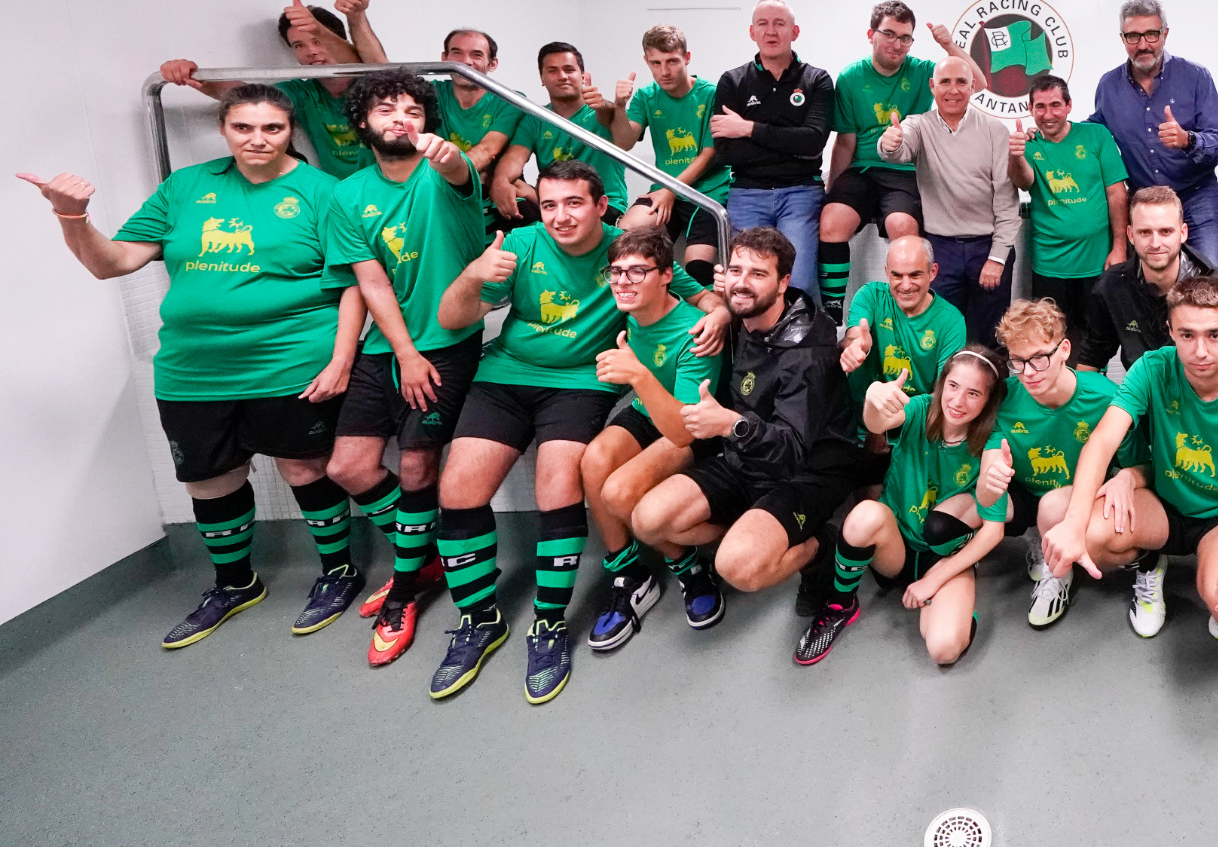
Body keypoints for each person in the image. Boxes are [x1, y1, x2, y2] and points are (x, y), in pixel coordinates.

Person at [21, 86, 365, 646]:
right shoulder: (185, 187)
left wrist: (341, 359)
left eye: (272, 129)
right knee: (209, 480)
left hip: (291, 361)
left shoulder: (323, 192)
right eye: (244, 128)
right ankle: (234, 584)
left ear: (291, 132)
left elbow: (352, 283)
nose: (257, 139)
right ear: (225, 130)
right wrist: (71, 216)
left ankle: (338, 572)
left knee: (304, 468)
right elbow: (112, 263)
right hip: (192, 370)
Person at [425, 160, 712, 704]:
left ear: (603, 207)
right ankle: (479, 621)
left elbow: (695, 295)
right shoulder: (521, 244)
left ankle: (550, 624)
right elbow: (450, 316)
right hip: (505, 373)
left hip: (581, 381)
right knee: (458, 491)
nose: (560, 216)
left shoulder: (626, 250)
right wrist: (472, 275)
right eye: (550, 204)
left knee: (558, 486)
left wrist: (717, 313)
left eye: (574, 203)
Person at [318, 69, 491, 667]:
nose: (402, 119)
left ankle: (405, 588)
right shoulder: (347, 193)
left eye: (414, 110)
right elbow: (369, 282)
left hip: (450, 339)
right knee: (348, 466)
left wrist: (446, 157)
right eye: (387, 109)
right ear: (362, 121)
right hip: (388, 347)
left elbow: (458, 172)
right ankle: (425, 559)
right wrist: (402, 353)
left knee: (418, 463)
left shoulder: (447, 172)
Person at [624, 227, 863, 621]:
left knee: (737, 569)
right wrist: (719, 310)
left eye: (757, 274)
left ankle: (820, 546)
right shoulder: (747, 315)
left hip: (806, 470)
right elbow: (712, 297)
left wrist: (731, 425)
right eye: (736, 270)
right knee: (647, 520)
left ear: (784, 282)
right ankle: (753, 529)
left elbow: (791, 452)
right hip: (746, 457)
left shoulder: (806, 353)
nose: (742, 283)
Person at [1045, 276, 1218, 641]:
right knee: (1086, 531)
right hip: (1163, 502)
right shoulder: (1152, 368)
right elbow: (1101, 442)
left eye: (1214, 335)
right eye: (1187, 335)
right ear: (1170, 331)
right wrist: (1073, 522)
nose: (1200, 351)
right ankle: (1148, 560)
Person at [795, 346, 1010, 666]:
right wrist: (873, 398)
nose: (958, 401)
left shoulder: (993, 440)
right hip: (895, 547)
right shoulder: (921, 408)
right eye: (952, 386)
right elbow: (878, 421)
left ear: (988, 402)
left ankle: (956, 607)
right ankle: (841, 605)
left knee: (944, 648)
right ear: (941, 385)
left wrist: (936, 580)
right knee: (863, 516)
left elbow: (993, 530)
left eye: (973, 393)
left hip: (943, 556)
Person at [577, 227, 729, 652]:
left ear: (667, 275)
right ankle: (629, 575)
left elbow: (682, 431)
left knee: (620, 492)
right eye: (616, 272)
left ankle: (689, 568)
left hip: (690, 426)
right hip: (647, 411)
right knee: (594, 461)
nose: (623, 281)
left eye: (637, 272)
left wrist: (638, 374)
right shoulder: (628, 310)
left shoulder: (696, 333)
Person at [974, 299, 1144, 628]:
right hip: (1028, 496)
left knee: (1064, 511)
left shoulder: (1105, 397)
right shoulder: (1004, 399)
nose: (1029, 373)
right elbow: (986, 499)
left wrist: (1128, 478)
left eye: (1039, 358)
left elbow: (1143, 466)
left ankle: (1074, 568)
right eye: (1018, 361)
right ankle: (1041, 543)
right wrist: (989, 481)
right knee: (965, 506)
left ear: (1064, 349)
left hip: (1083, 497)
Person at [818, 0, 985, 320]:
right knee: (831, 221)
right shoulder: (851, 77)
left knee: (903, 226)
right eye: (890, 34)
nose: (898, 44)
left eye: (906, 37)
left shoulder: (923, 71)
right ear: (871, 34)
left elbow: (978, 81)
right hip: (863, 169)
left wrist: (948, 44)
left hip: (907, 171)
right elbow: (845, 141)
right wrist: (832, 190)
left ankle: (904, 312)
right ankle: (832, 311)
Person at [158, 0, 385, 178]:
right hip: (347, 198)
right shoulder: (303, 92)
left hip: (397, 192)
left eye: (318, 40)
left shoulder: (372, 86)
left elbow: (381, 70)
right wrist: (191, 73)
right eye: (299, 45)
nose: (311, 51)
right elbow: (244, 95)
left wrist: (356, 18)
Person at [1076, 185, 1218, 376]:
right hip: (1146, 398)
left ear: (1182, 233)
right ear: (1131, 235)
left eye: (1165, 231)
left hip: (1204, 399)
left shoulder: (1214, 284)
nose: (1155, 243)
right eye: (1145, 232)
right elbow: (1093, 354)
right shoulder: (1113, 285)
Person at [877, 56, 1019, 346]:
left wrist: (997, 256)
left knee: (993, 339)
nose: (953, 90)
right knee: (940, 337)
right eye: (945, 82)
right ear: (932, 86)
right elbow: (898, 149)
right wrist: (888, 142)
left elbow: (1007, 200)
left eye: (960, 82)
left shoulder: (994, 130)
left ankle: (994, 390)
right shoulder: (918, 124)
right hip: (940, 248)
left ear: (973, 86)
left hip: (987, 247)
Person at [1088, 0, 1218, 263]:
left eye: (1151, 35)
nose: (1143, 45)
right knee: (1147, 287)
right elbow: (1094, 135)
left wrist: (1187, 139)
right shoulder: (1109, 86)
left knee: (1209, 279)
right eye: (1133, 36)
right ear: (1122, 39)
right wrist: (1048, 133)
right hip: (1143, 201)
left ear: (1165, 34)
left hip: (1196, 197)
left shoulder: (1196, 76)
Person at [710, 0, 835, 300]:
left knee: (797, 285)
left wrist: (748, 129)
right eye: (763, 24)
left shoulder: (816, 80)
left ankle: (798, 346)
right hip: (747, 193)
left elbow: (814, 141)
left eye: (780, 23)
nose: (771, 31)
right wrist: (790, 145)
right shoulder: (732, 81)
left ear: (795, 31)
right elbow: (728, 152)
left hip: (801, 193)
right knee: (747, 289)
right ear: (752, 32)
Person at [1007, 73, 1129, 335]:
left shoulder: (1097, 136)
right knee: (1050, 338)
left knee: (1097, 339)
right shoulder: (1027, 145)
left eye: (1055, 105)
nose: (1048, 114)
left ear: (1069, 105)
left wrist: (1120, 247)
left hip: (1097, 263)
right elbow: (1023, 182)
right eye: (1040, 107)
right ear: (1030, 109)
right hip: (1049, 265)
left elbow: (1117, 195)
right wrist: (1016, 156)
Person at [609, 25, 728, 287]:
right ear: (646, 62)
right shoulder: (645, 96)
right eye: (656, 63)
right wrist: (619, 105)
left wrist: (671, 190)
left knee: (697, 266)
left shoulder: (712, 93)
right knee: (624, 240)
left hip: (708, 194)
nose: (665, 71)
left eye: (672, 61)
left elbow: (710, 153)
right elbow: (624, 142)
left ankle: (707, 321)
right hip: (665, 192)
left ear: (686, 58)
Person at [491, 42, 630, 225]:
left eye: (569, 69)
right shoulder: (536, 118)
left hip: (603, 206)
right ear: (542, 78)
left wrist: (609, 106)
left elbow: (613, 122)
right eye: (552, 71)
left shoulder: (603, 110)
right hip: (557, 206)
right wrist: (500, 182)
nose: (562, 76)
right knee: (512, 184)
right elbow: (514, 159)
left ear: (582, 76)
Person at [839, 235, 968, 405]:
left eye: (915, 275)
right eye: (897, 276)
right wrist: (857, 347)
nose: (906, 285)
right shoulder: (870, 296)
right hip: (860, 423)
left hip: (915, 423)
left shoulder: (952, 321)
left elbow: (943, 392)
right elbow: (855, 336)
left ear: (932, 272)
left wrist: (895, 417)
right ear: (887, 272)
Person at [430, 28, 523, 190]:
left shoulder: (509, 99)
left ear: (492, 64)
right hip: (442, 188)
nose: (465, 61)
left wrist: (451, 175)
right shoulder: (431, 93)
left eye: (476, 55)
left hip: (482, 194)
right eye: (457, 53)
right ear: (444, 58)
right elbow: (387, 73)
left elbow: (487, 150)